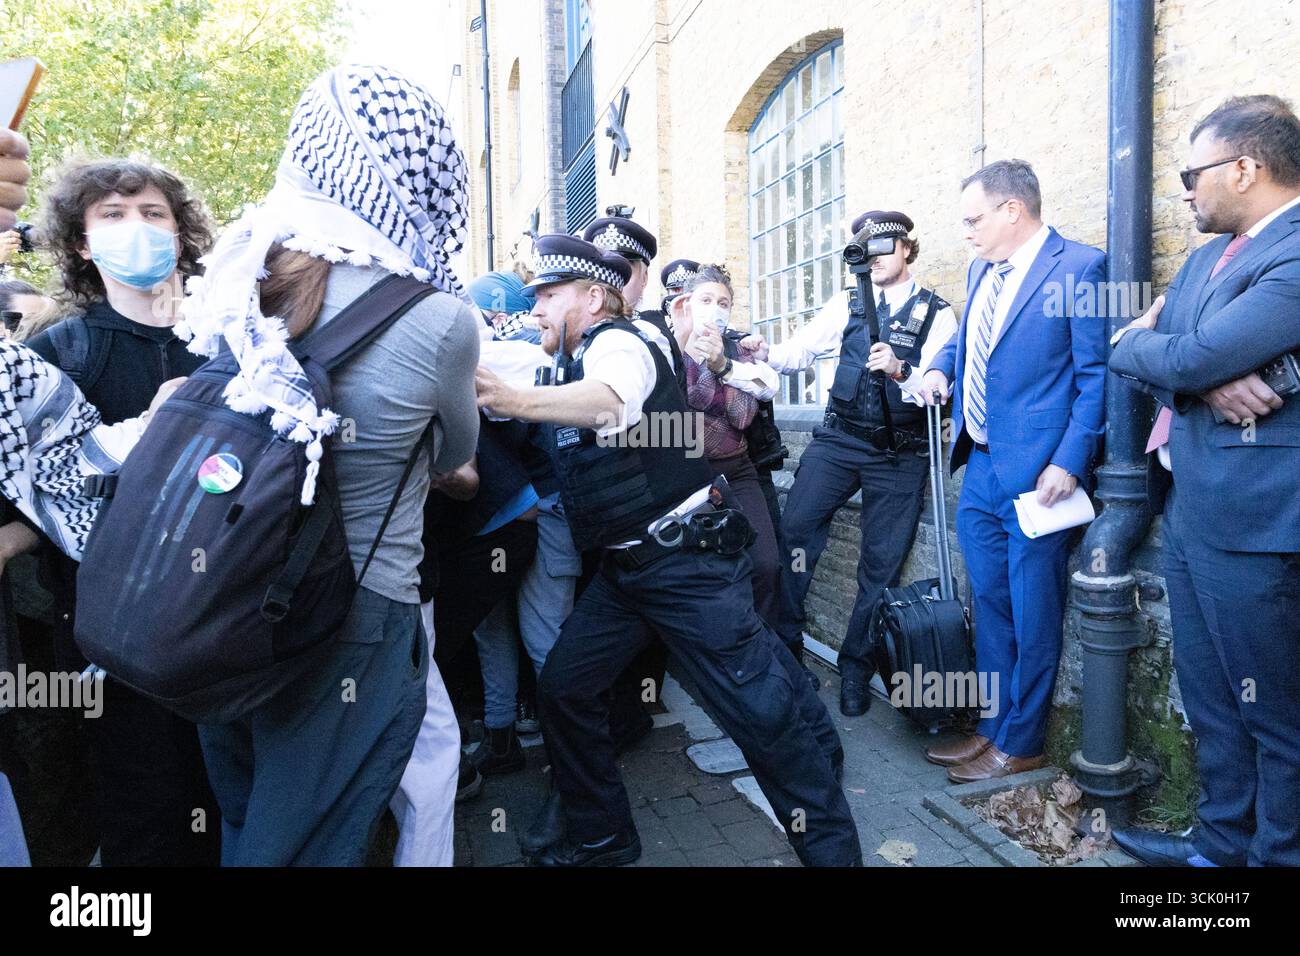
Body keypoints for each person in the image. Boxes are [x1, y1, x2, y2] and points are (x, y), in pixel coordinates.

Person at [174, 64, 479, 866]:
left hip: (223, 593)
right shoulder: (439, 317)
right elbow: (455, 454)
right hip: (356, 615)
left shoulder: (239, 274)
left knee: (247, 817)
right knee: (314, 838)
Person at [475, 234, 860, 867]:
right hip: (629, 572)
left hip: (686, 566)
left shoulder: (621, 344)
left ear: (594, 297)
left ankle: (833, 852)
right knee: (567, 689)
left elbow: (611, 401)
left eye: (548, 295)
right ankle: (603, 836)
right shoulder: (561, 358)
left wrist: (515, 403)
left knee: (760, 715)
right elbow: (487, 359)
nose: (534, 308)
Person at [1108, 95, 1300, 868]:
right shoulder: (1199, 263)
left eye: (1194, 173)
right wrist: (1201, 376)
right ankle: (1220, 851)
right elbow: (1159, 359)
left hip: (1261, 524)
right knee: (1216, 702)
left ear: (1246, 167)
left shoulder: (1291, 255)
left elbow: (1172, 354)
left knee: (1276, 714)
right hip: (1193, 513)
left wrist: (1171, 356)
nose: (1185, 191)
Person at [24, 155, 221, 867]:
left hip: (223, 618)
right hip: (110, 636)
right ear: (81, 242)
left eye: (152, 213)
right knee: (144, 816)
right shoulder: (56, 355)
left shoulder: (227, 342)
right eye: (112, 215)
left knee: (227, 804)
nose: (136, 227)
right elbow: (30, 504)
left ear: (180, 232)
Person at [921, 160, 1106, 782]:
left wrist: (1069, 462)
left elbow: (1095, 377)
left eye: (973, 219)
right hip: (979, 465)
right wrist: (941, 366)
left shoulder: (1080, 268)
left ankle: (1022, 742)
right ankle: (993, 727)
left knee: (1033, 610)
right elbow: (971, 339)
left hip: (1039, 479)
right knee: (992, 605)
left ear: (1012, 210)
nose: (966, 232)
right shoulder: (982, 270)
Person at [740, 211, 958, 715]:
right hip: (839, 440)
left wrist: (902, 370)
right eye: (866, 249)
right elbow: (800, 352)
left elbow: (936, 392)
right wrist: (764, 350)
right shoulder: (849, 301)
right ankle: (788, 653)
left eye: (885, 247)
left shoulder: (936, 314)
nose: (875, 258)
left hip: (899, 453)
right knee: (794, 533)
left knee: (879, 566)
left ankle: (856, 668)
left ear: (907, 249)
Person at [671, 264, 784, 630]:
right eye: (705, 299)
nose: (715, 308)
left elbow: (742, 414)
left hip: (737, 468)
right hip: (687, 475)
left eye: (723, 302)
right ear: (686, 302)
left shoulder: (740, 348)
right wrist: (684, 348)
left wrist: (723, 363)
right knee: (701, 571)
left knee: (766, 563)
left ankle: (759, 647)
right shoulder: (665, 346)